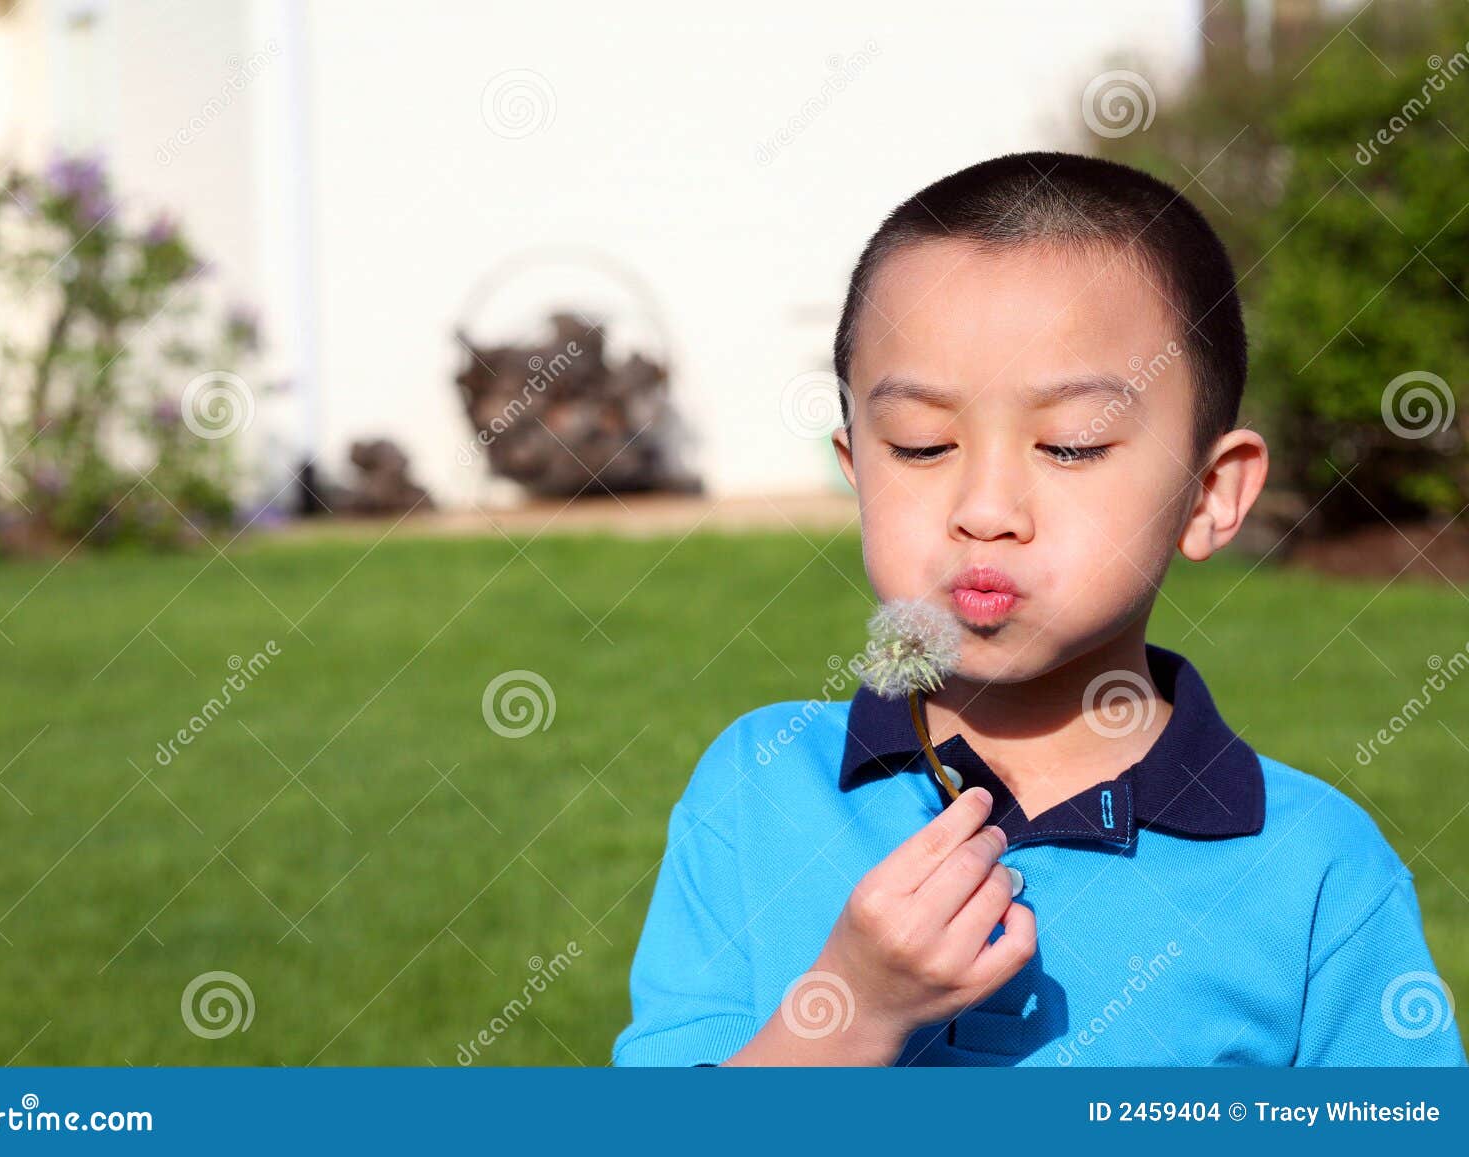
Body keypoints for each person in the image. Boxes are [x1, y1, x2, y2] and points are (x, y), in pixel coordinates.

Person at [612, 151, 1466, 1067]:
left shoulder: (1316, 871)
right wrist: (849, 1016)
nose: (984, 509)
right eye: (922, 444)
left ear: (1211, 493)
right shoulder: (759, 788)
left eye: (1070, 446)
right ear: (855, 467)